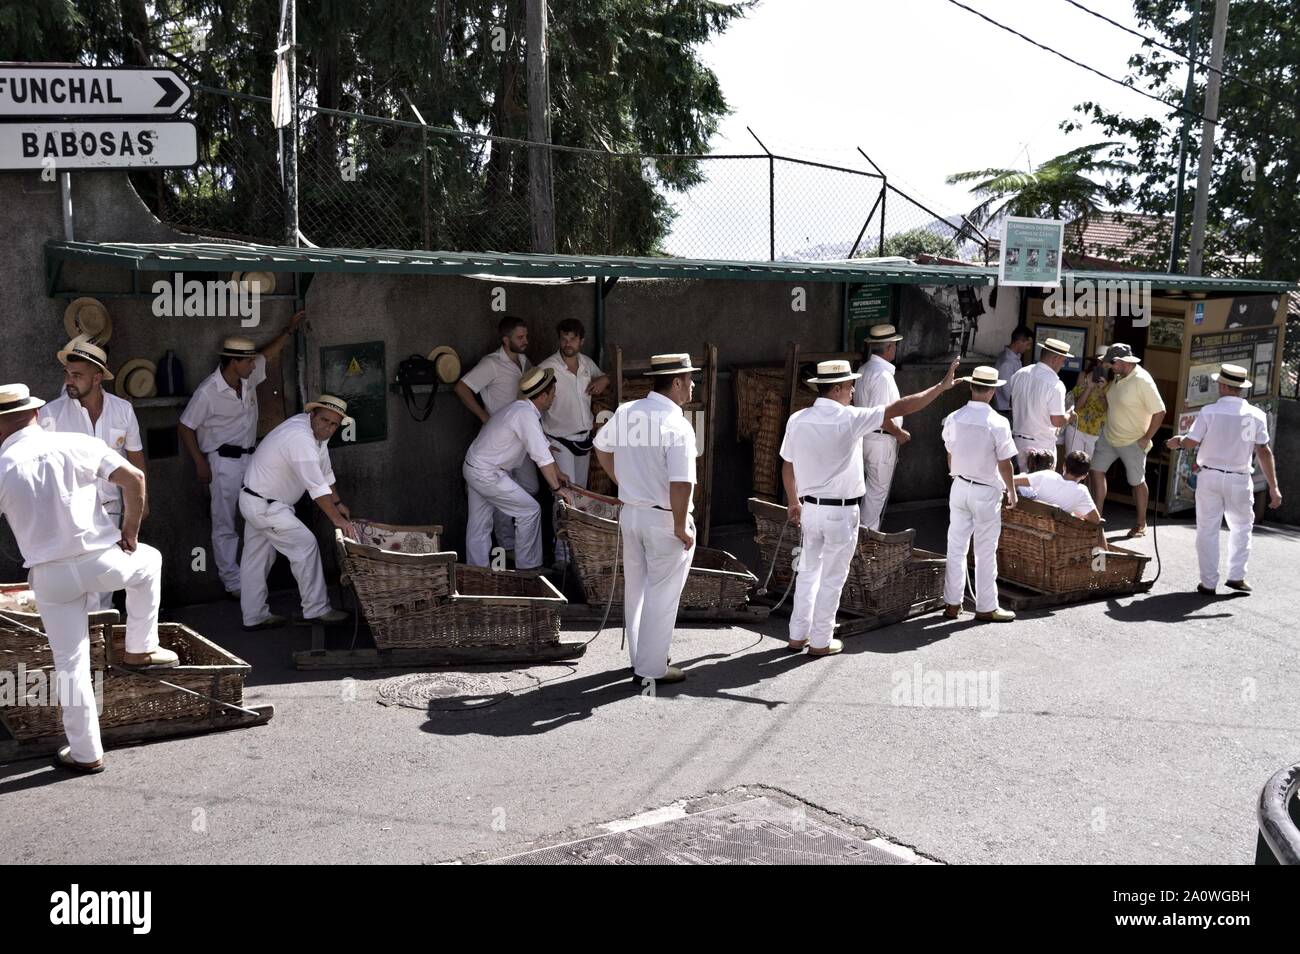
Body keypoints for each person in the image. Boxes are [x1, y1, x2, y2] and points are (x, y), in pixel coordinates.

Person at [0, 383, 174, 775]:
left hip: (49, 576)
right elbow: (134, 478)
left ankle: (86, 753)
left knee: (70, 664)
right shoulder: (74, 443)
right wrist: (129, 533)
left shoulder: (3, 466)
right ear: (38, 416)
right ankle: (140, 646)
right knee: (149, 561)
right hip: (102, 560)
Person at [782, 357, 960, 656]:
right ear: (837, 388)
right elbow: (902, 406)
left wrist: (792, 500)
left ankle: (797, 636)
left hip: (809, 508)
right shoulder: (849, 418)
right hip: (840, 511)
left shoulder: (798, 419)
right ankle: (821, 641)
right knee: (832, 578)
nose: (853, 391)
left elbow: (787, 465)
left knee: (808, 573)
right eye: (850, 386)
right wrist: (941, 387)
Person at [593, 353, 700, 685]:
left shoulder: (627, 412)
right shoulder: (678, 425)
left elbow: (600, 447)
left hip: (632, 513)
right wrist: (681, 525)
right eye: (690, 378)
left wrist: (623, 482)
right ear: (677, 382)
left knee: (637, 590)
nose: (694, 384)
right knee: (662, 595)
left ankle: (640, 659)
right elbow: (681, 482)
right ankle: (651, 668)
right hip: (663, 518)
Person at [178, 318, 301, 600]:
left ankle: (253, 578)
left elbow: (267, 354)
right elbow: (185, 426)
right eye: (247, 361)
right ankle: (232, 582)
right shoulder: (208, 391)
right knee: (225, 523)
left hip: (251, 461)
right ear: (233, 362)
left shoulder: (247, 380)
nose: (253, 365)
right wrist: (199, 462)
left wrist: (287, 329)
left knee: (257, 515)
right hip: (222, 462)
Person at [38, 335, 148, 611]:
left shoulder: (123, 410)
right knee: (76, 592)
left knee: (106, 587)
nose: (68, 381)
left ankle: (101, 648)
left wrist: (141, 504)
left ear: (98, 378)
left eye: (77, 375)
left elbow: (135, 460)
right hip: (70, 516)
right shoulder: (50, 414)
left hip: (112, 511)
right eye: (67, 374)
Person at [239, 395, 355, 630]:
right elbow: (315, 487)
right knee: (305, 544)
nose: (328, 427)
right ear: (313, 415)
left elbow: (324, 472)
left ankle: (254, 616)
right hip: (266, 506)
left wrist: (338, 501)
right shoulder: (300, 437)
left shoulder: (316, 435)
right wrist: (337, 519)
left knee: (257, 560)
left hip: (258, 502)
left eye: (334, 424)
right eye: (324, 420)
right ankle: (317, 609)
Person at [1166, 363, 1282, 594]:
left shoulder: (1209, 411)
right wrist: (1273, 487)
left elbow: (1191, 442)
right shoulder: (1257, 414)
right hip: (1239, 479)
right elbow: (1263, 451)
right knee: (1241, 528)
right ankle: (1237, 576)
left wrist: (1177, 441)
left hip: (1209, 476)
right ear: (1241, 389)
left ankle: (1209, 582)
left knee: (1207, 529)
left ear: (1222, 385)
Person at [463, 367, 572, 570]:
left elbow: (543, 447)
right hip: (486, 472)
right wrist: (558, 489)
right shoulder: (525, 415)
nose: (554, 397)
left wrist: (558, 474)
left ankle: (476, 573)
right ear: (542, 395)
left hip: (475, 467)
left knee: (479, 525)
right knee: (529, 511)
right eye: (553, 393)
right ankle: (528, 569)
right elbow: (542, 457)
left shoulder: (522, 409)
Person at [941, 365, 1018, 623]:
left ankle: (952, 603)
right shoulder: (998, 422)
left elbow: (950, 454)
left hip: (960, 485)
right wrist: (1012, 491)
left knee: (956, 547)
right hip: (986, 490)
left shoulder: (954, 417)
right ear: (993, 391)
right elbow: (1005, 462)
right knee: (985, 551)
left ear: (972, 387)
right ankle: (986, 606)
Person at [455, 315, 535, 556]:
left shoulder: (524, 361)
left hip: (523, 439)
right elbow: (462, 387)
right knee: (501, 496)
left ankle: (514, 544)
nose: (525, 341)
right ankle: (507, 546)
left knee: (530, 487)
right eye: (520, 337)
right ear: (505, 340)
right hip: (498, 443)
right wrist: (483, 416)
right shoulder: (491, 363)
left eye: (526, 336)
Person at [538, 319, 609, 562]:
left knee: (581, 496)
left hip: (583, 440)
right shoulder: (547, 367)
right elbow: (526, 400)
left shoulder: (587, 364)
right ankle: (562, 556)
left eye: (573, 339)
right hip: (559, 441)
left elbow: (605, 378)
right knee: (563, 496)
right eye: (564, 338)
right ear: (559, 339)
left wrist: (602, 380)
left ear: (581, 341)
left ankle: (577, 552)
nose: (568, 343)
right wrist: (540, 438)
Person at [1090, 343, 1165, 538]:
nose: (1110, 367)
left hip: (1132, 440)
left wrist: (1146, 438)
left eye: (1112, 363)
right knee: (1096, 471)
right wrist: (1101, 393)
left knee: (1137, 482)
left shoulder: (1143, 380)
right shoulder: (1118, 376)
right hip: (1109, 436)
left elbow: (1160, 412)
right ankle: (1095, 518)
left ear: (1123, 361)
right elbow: (1111, 405)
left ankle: (1141, 523)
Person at [852, 323, 908, 531]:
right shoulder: (883, 376)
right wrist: (900, 433)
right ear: (889, 348)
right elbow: (882, 416)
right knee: (875, 494)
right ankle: (866, 539)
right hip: (880, 439)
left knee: (867, 491)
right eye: (894, 345)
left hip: (864, 437)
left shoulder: (864, 369)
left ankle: (862, 536)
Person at [1008, 336, 1070, 471]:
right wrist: (1069, 415)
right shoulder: (1055, 385)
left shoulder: (1020, 373)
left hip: (1018, 442)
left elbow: (1012, 404)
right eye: (1062, 360)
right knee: (1040, 489)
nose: (1063, 365)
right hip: (1042, 445)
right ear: (1054, 359)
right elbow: (1057, 421)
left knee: (1018, 485)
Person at [1013, 449, 1100, 522]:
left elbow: (1012, 480)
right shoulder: (1082, 492)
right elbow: (1096, 520)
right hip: (1057, 535)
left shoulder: (1047, 475)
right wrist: (1074, 514)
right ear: (1085, 475)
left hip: (1031, 523)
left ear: (1064, 466)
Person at [1060, 349, 1110, 461]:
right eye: (1100, 361)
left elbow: (1107, 410)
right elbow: (1076, 407)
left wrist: (1102, 391)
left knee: (1090, 469)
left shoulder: (1112, 382)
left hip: (1096, 432)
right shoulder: (1084, 375)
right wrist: (1089, 387)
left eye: (1105, 362)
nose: (1102, 365)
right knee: (1072, 464)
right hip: (1077, 427)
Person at [992, 325, 1033, 419]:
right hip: (1005, 411)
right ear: (1019, 342)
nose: (1028, 348)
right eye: (1027, 344)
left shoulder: (1014, 358)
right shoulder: (1007, 363)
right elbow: (1009, 395)